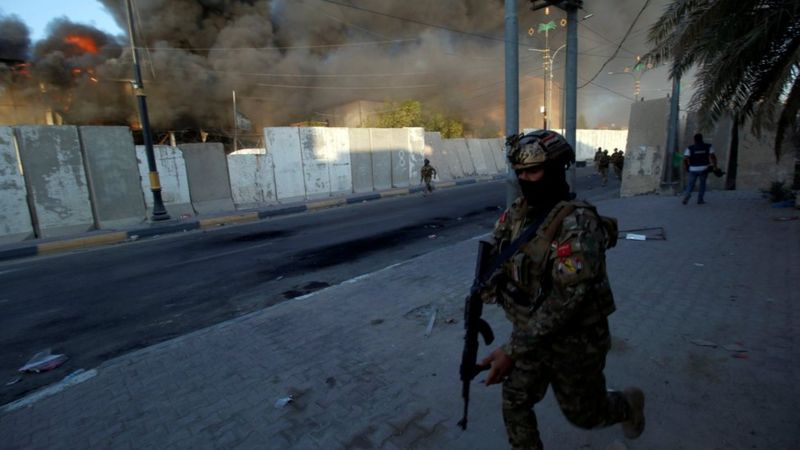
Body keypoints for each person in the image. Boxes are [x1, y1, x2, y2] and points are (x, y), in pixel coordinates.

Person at [479, 130, 645, 450]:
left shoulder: (579, 223)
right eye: (521, 172)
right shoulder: (517, 212)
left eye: (534, 170)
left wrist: (511, 349)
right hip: (532, 333)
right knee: (515, 399)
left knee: (584, 416)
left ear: (555, 168)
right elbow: (498, 250)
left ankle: (627, 405)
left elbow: (566, 301)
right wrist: (489, 285)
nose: (526, 178)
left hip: (575, 341)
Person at [682, 133, 718, 205]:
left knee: (690, 184)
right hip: (704, 168)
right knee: (702, 184)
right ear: (702, 139)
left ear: (694, 140)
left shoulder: (690, 148)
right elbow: (713, 157)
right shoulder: (708, 146)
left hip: (692, 169)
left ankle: (687, 195)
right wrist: (715, 166)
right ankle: (700, 199)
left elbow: (685, 158)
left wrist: (687, 167)